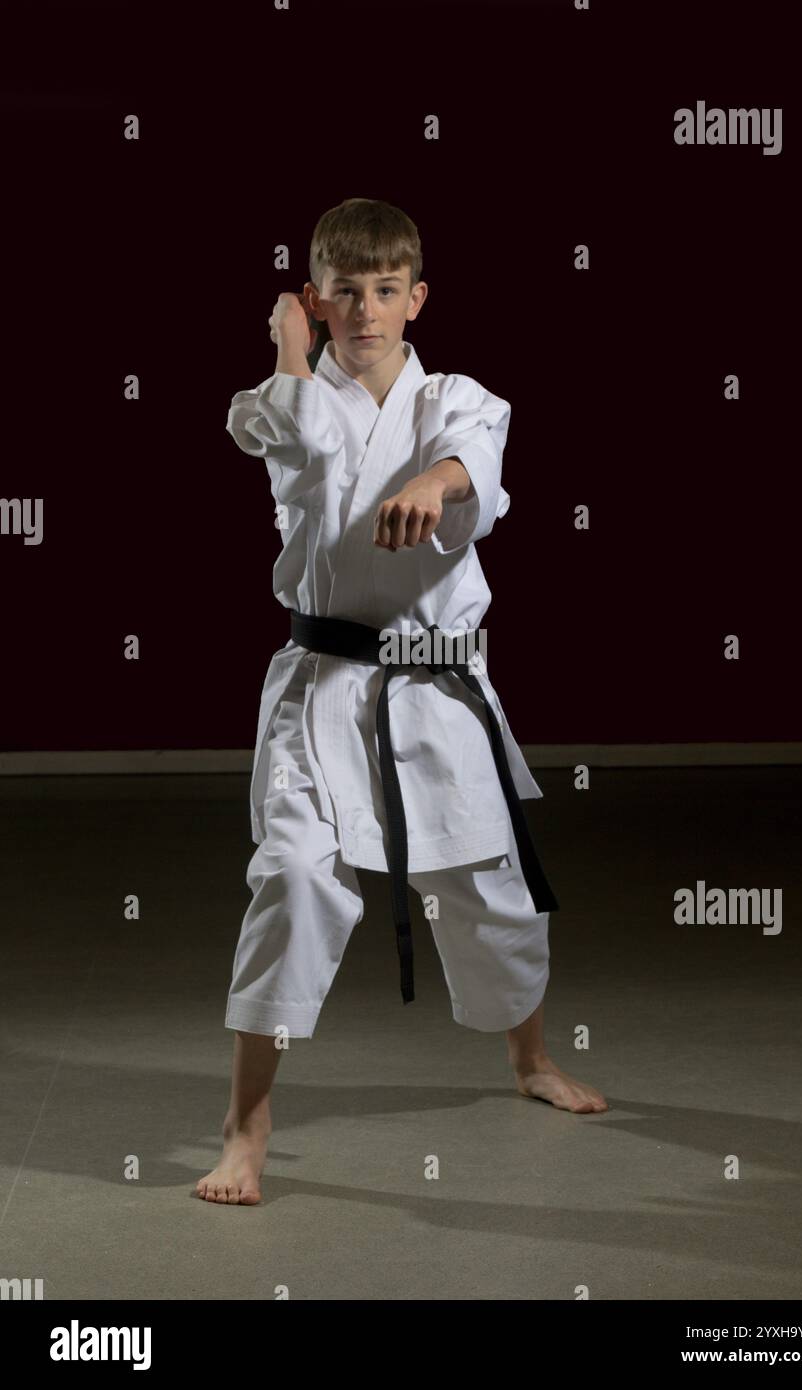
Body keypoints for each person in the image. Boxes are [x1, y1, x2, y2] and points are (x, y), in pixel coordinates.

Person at [196, 198, 607, 1206]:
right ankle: (245, 1127)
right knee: (292, 880)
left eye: (385, 289)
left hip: (436, 691)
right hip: (322, 692)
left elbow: (482, 466)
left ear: (415, 296)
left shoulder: (453, 399)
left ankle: (526, 1060)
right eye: (341, 291)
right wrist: (290, 352)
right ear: (311, 300)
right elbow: (292, 444)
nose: (365, 310)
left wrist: (436, 480)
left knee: (496, 897)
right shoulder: (275, 399)